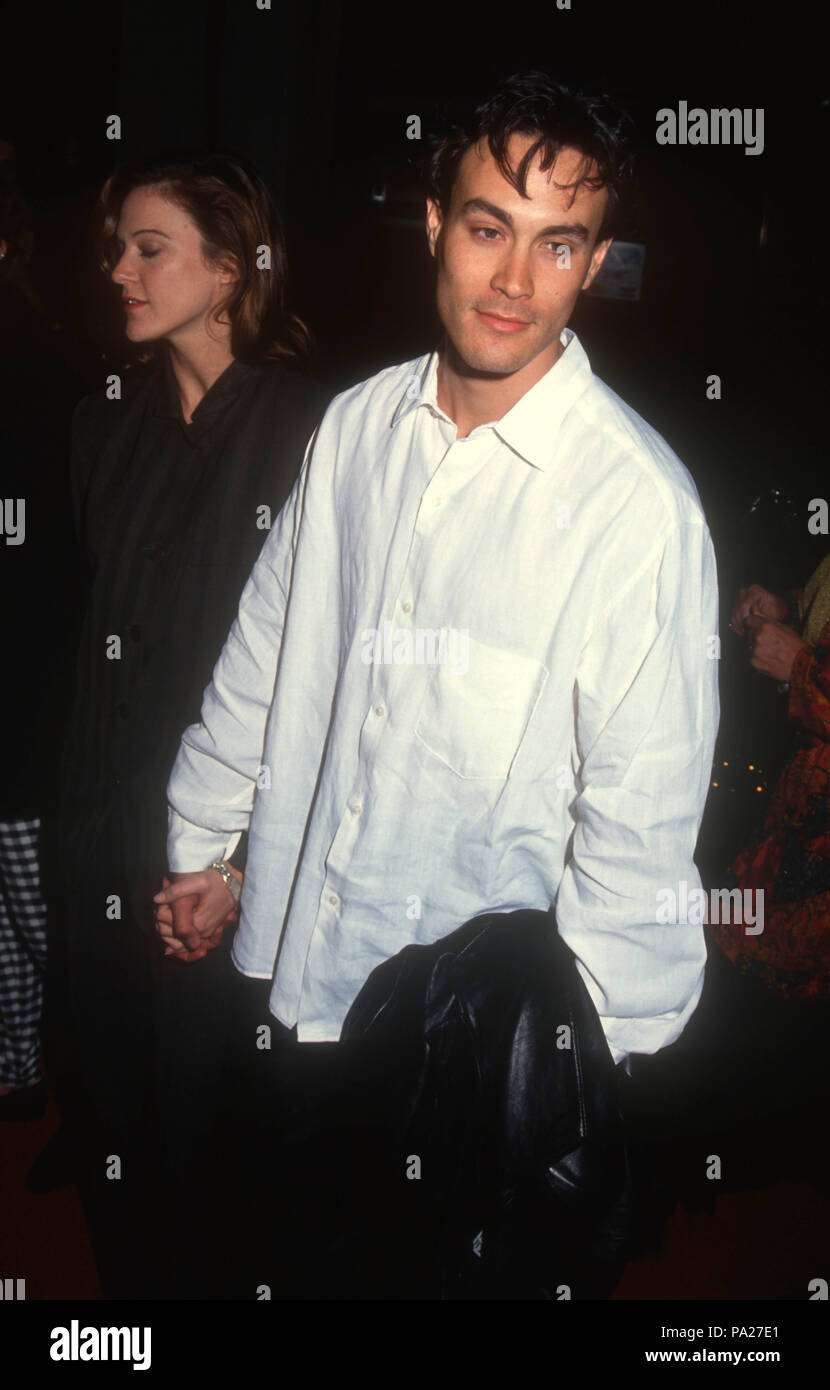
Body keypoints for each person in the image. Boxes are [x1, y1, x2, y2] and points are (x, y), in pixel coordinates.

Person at [153, 73, 720, 1299]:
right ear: (431, 224)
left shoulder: (635, 509)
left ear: (593, 261)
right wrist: (204, 837)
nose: (514, 282)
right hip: (303, 984)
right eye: (485, 228)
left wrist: (579, 1100)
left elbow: (640, 825)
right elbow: (265, 645)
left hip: (462, 1063)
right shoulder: (353, 427)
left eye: (554, 242)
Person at [37, 149, 326, 1299]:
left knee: (222, 1136)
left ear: (228, 268)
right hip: (102, 836)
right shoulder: (104, 430)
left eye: (147, 247)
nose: (117, 269)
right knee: (113, 1111)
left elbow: (328, 681)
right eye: (115, 246)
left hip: (224, 863)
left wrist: (247, 859)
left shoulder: (321, 435)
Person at [0, 165, 85, 1124]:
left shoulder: (48, 378)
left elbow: (54, 579)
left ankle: (79, 1097)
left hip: (28, 718)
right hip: (24, 714)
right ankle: (22, 1071)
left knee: (45, 925)